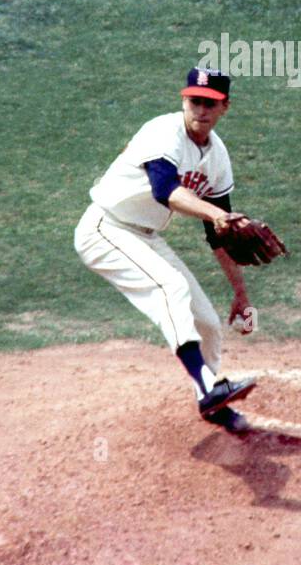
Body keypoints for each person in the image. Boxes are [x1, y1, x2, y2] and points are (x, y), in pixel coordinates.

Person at [74, 67, 258, 433]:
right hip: (104, 228)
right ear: (183, 100)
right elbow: (166, 191)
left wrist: (240, 293)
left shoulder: (217, 157)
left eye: (210, 103)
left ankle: (212, 403)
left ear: (225, 107)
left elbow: (216, 233)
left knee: (205, 321)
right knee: (169, 287)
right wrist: (218, 214)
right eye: (194, 101)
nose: (200, 110)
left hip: (144, 236)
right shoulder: (163, 131)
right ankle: (208, 389)